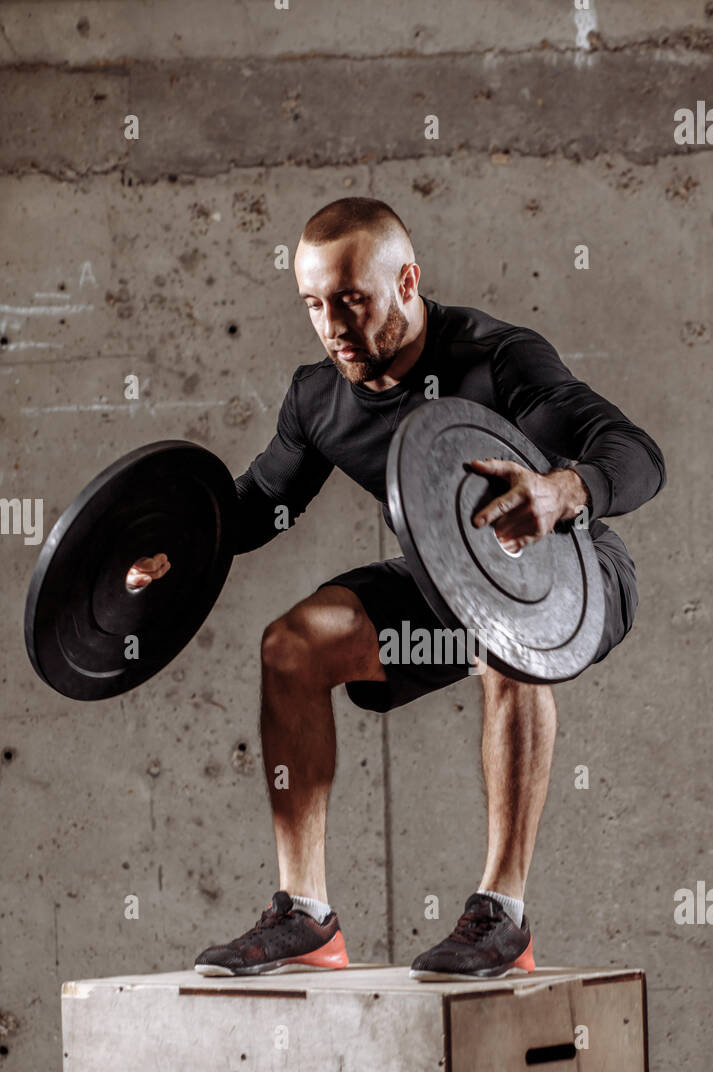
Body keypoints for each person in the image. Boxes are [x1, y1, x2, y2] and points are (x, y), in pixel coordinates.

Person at [126, 196, 665, 981]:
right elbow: (259, 506)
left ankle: (502, 914)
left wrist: (562, 490)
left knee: (503, 640)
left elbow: (635, 450)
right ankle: (305, 916)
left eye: (352, 300)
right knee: (292, 644)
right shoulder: (318, 398)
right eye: (314, 304)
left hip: (571, 572)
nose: (333, 326)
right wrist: (178, 545)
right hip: (443, 584)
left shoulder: (496, 357)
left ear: (407, 281)